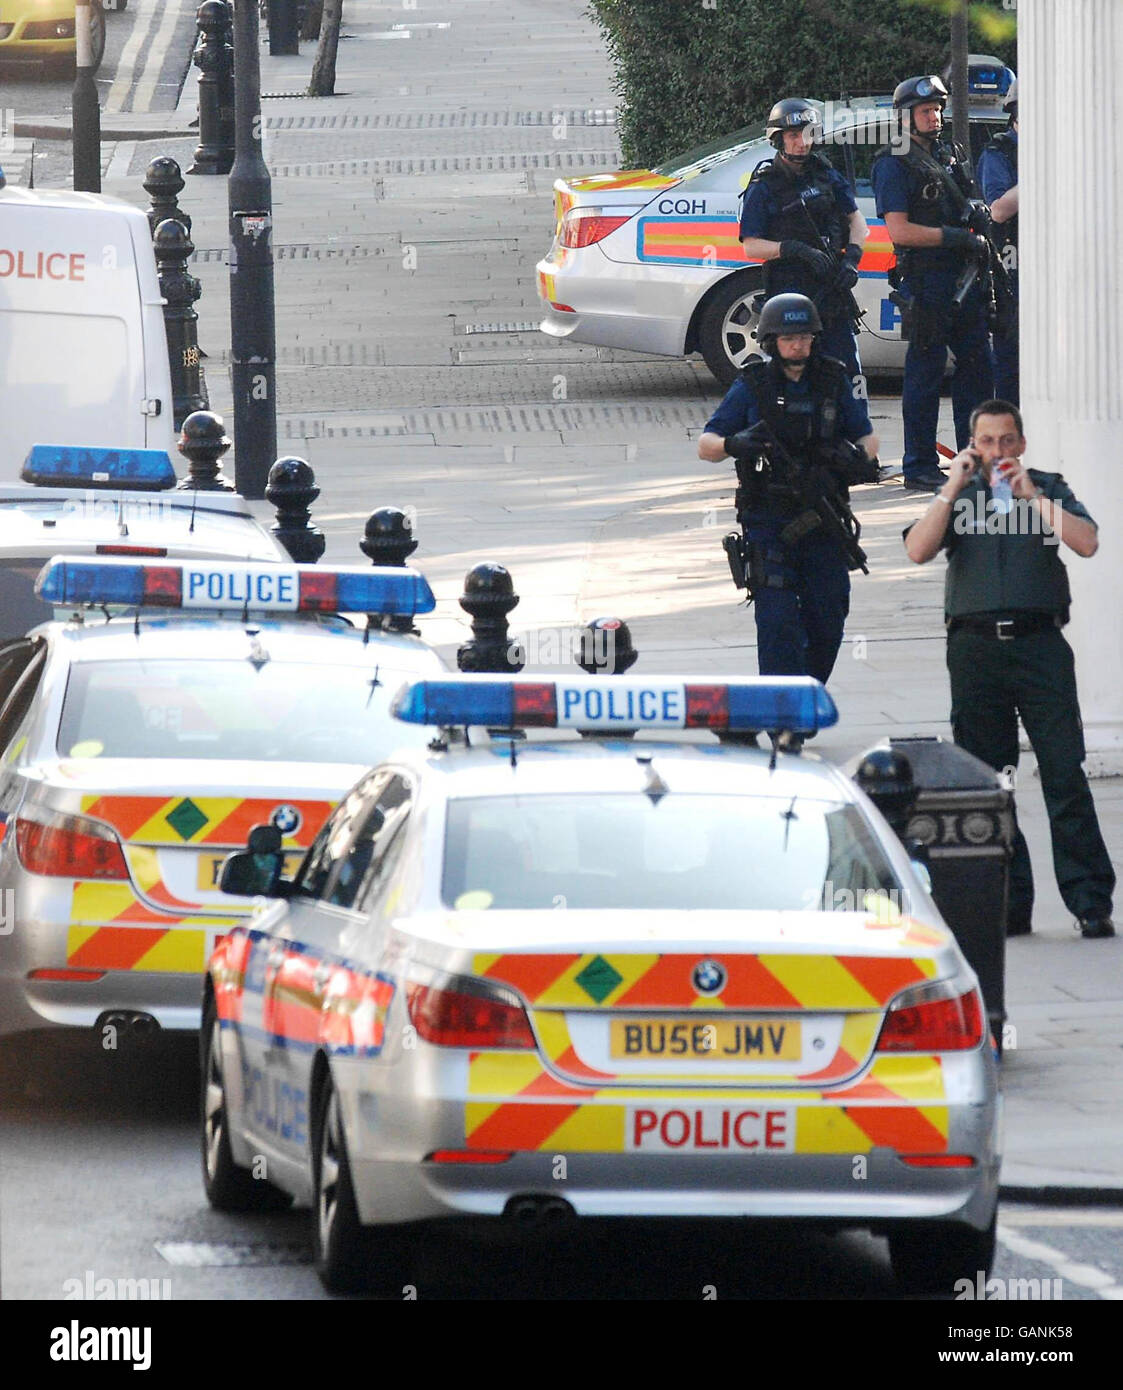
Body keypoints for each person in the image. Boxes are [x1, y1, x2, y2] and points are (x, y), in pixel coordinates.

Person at [903, 399, 1115, 939]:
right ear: (974, 444)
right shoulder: (960, 494)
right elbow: (917, 550)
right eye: (987, 442)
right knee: (990, 783)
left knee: (1064, 773)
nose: (998, 452)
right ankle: (1006, 903)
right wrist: (951, 486)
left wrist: (1034, 497)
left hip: (1039, 645)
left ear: (1020, 444)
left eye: (1006, 441)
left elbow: (1087, 542)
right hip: (975, 651)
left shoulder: (1046, 486)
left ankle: (1089, 901)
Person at [699, 293, 880, 691]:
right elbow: (706, 443)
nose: (798, 345)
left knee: (828, 617)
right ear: (770, 341)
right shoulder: (753, 385)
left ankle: (807, 696)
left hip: (825, 519)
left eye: (804, 337)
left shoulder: (833, 380)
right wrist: (735, 444)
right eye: (788, 338)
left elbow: (868, 437)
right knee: (778, 623)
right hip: (769, 522)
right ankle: (783, 716)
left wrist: (852, 458)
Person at [871, 75, 995, 492]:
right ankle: (919, 465)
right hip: (927, 281)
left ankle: (973, 460)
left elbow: (968, 201)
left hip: (965, 277)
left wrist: (975, 222)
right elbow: (900, 231)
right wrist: (953, 237)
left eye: (938, 109)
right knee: (924, 375)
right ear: (906, 117)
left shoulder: (947, 153)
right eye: (926, 110)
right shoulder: (894, 162)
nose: (934, 116)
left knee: (978, 369)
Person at [740, 98, 869, 386]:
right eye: (794, 136)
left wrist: (852, 259)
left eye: (808, 134)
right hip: (790, 297)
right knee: (792, 379)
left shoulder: (826, 175)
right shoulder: (764, 186)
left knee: (848, 377)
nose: (802, 143)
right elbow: (751, 246)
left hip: (832, 291)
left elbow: (857, 222)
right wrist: (791, 249)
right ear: (778, 140)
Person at [977, 79, 1019, 404]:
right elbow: (1000, 209)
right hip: (1009, 274)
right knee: (1011, 366)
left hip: (1052, 274)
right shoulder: (999, 152)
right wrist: (1041, 171)